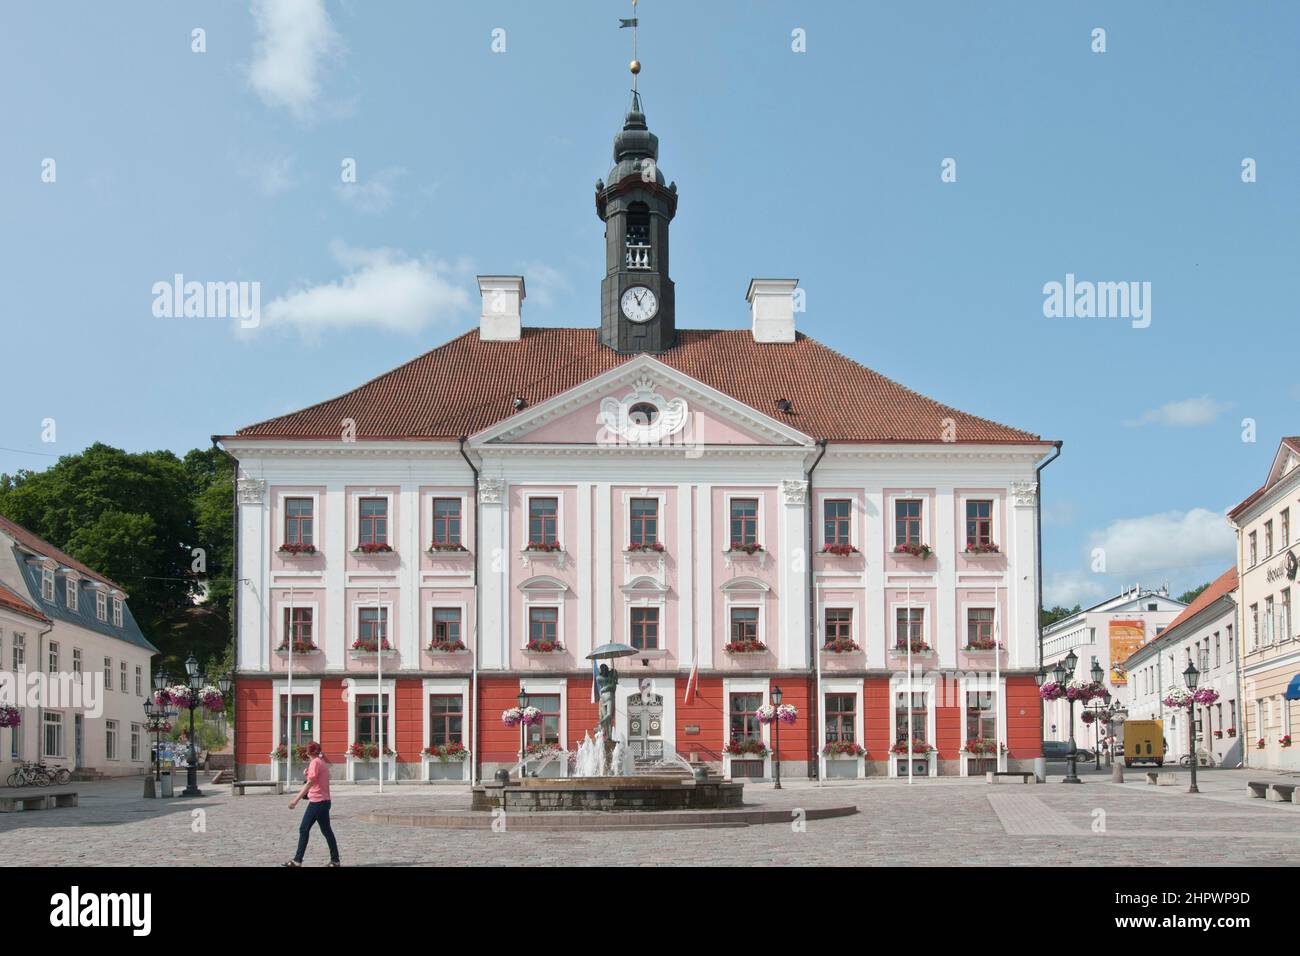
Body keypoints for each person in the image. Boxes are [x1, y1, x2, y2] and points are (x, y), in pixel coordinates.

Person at [284, 749, 340, 867]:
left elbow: (309, 783)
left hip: (317, 802)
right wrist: (308, 773)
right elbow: (324, 776)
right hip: (323, 801)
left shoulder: (315, 762)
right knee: (321, 831)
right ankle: (334, 860)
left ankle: (298, 860)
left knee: (310, 829)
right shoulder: (321, 761)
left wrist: (295, 800)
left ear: (308, 753)